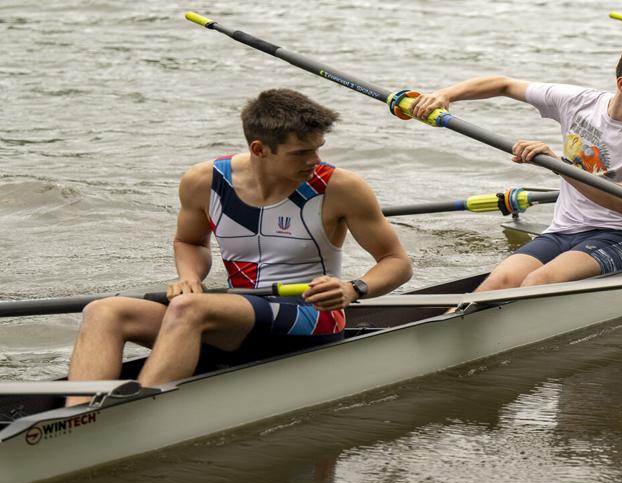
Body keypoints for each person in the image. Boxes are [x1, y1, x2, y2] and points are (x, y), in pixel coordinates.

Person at [65, 88, 412, 406]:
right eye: (302, 153)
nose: (315, 160)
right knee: (103, 311)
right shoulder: (204, 182)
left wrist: (353, 289)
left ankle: (136, 417)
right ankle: (77, 417)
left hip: (310, 315)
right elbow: (189, 241)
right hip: (236, 316)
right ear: (259, 149)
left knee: (188, 308)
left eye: (318, 148)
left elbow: (396, 261)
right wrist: (189, 276)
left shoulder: (340, 188)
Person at [411, 42, 622, 291]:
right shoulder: (579, 102)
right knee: (499, 283)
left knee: (537, 283)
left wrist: (559, 165)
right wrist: (445, 95)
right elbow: (503, 84)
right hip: (563, 229)